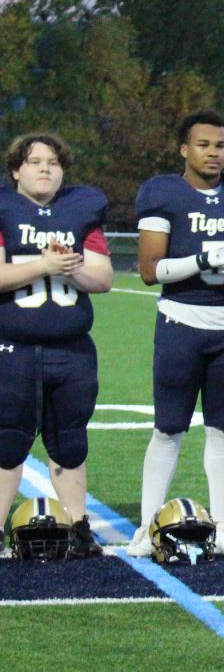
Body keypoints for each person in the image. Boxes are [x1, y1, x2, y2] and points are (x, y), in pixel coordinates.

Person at [128, 109, 224, 556]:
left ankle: (222, 527)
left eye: (220, 145)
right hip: (181, 322)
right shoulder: (163, 193)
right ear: (184, 149)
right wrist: (205, 260)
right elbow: (149, 270)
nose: (214, 153)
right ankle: (146, 528)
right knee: (169, 428)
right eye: (204, 145)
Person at [0, 134, 115, 558]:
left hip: (71, 348)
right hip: (12, 346)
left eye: (53, 162)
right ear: (16, 170)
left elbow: (102, 278)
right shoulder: (5, 208)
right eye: (34, 161)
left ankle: (79, 527)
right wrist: (43, 264)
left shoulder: (81, 209)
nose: (45, 168)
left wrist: (71, 267)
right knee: (7, 440)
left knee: (70, 441)